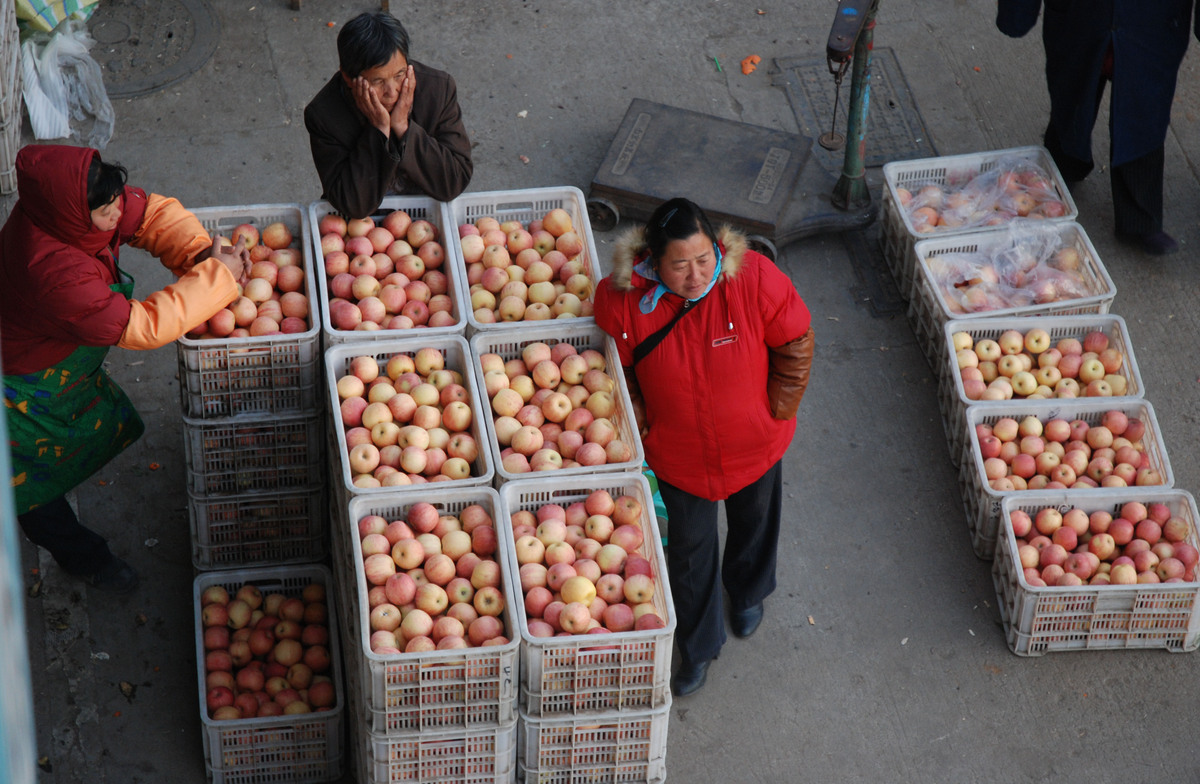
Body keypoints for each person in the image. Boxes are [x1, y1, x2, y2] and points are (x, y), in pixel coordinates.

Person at [1, 144, 250, 593]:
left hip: (55, 356)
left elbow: (150, 215)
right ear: (75, 217)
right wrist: (217, 280)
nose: (117, 212)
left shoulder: (77, 202)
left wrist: (198, 256)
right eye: (105, 210)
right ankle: (85, 559)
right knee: (30, 488)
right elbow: (143, 326)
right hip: (16, 381)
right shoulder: (53, 273)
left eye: (116, 199)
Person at [594, 198, 814, 697]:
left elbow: (796, 338)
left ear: (718, 249)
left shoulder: (752, 278)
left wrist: (776, 408)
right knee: (690, 555)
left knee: (755, 521)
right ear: (652, 261)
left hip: (754, 444)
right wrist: (643, 426)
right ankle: (698, 646)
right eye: (679, 265)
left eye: (703, 260)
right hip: (679, 458)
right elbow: (618, 372)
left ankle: (748, 592)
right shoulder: (623, 300)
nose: (695, 276)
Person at [996, 0, 1198, 255]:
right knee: (1071, 93)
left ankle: (1139, 216)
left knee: (1145, 108)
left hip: (1154, 19)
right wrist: (1016, 12)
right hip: (1081, 15)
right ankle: (1062, 168)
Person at [304, 11, 473, 219]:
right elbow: (353, 204)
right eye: (377, 81)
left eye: (399, 75)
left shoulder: (437, 90)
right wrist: (379, 129)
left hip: (428, 218)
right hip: (360, 227)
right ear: (348, 78)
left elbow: (454, 181)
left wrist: (403, 127)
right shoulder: (324, 115)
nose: (392, 92)